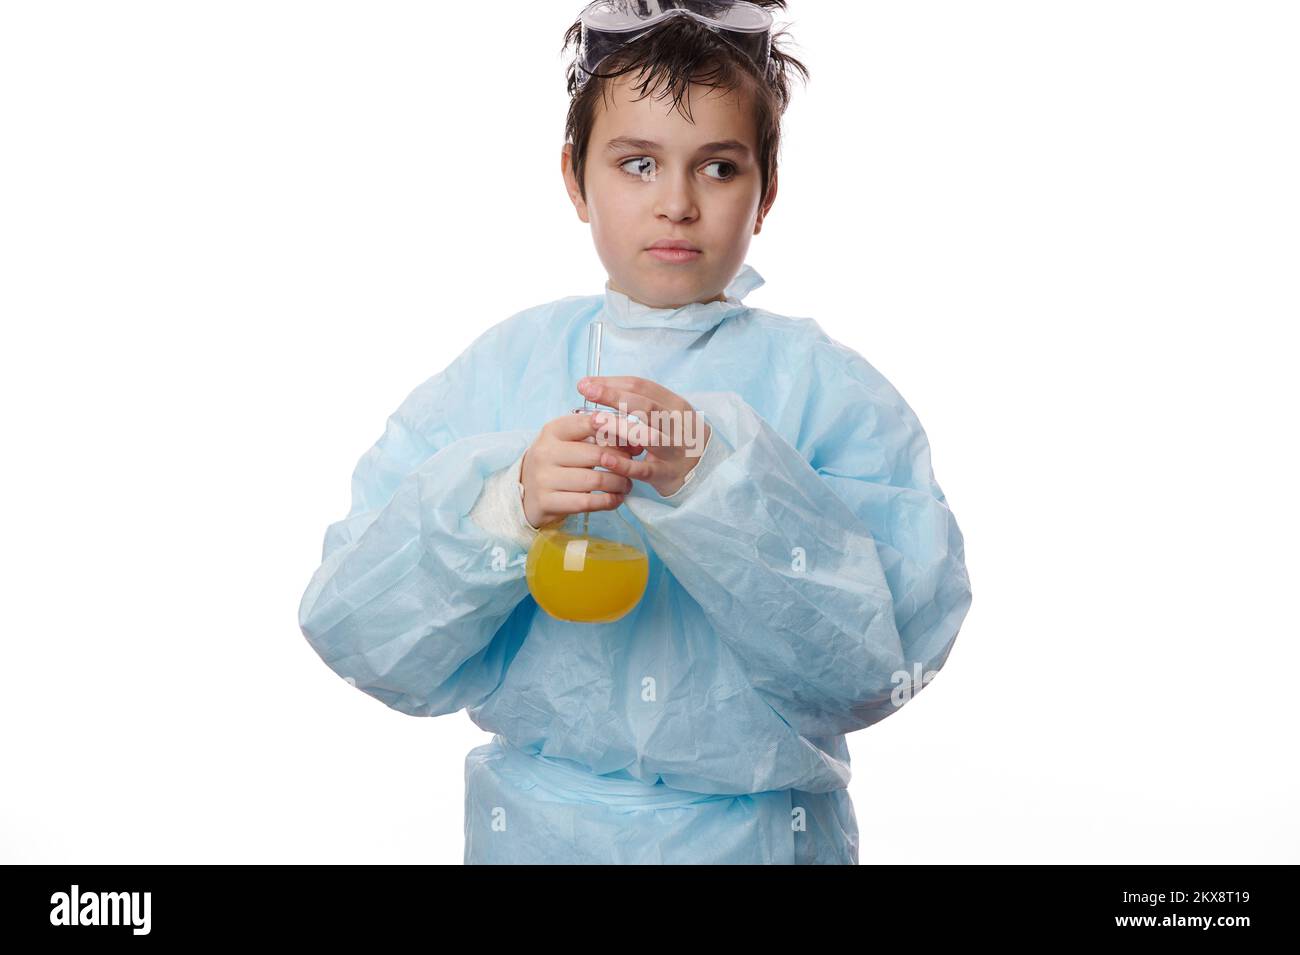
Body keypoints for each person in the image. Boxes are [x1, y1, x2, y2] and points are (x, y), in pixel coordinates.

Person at [297, 0, 973, 865]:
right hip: (536, 837)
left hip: (759, 843)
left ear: (767, 191)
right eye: (639, 163)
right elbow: (358, 630)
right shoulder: (504, 372)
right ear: (575, 178)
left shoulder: (829, 394)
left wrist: (719, 482)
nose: (678, 205)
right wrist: (505, 506)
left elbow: (881, 665)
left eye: (720, 168)